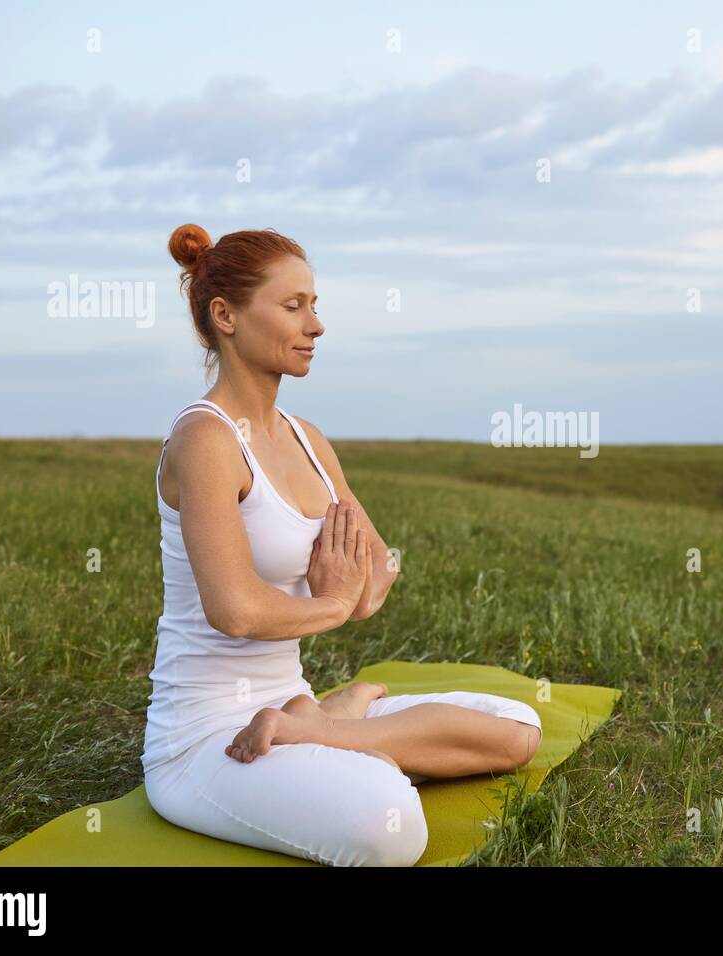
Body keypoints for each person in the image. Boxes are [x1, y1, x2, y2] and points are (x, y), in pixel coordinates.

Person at [141, 223, 542, 867]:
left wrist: (351, 597)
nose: (317, 325)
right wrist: (332, 604)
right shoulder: (205, 439)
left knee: (519, 729)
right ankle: (332, 728)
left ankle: (323, 725)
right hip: (206, 739)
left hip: (288, 708)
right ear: (226, 316)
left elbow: (377, 566)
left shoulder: (308, 439)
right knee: (389, 829)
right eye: (294, 306)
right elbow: (235, 610)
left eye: (315, 304)